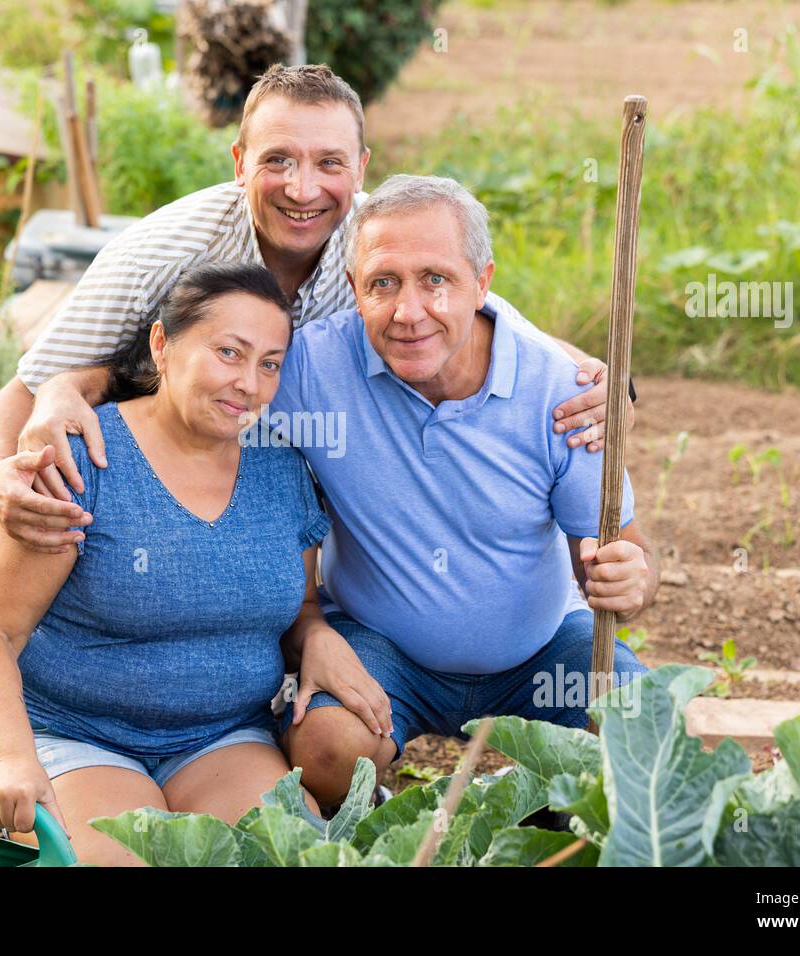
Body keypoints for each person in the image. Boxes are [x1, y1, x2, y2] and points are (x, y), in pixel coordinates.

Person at [0, 63, 629, 555]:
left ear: (362, 167)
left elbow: (487, 321)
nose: (303, 189)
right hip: (170, 468)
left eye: (329, 163)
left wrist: (606, 386)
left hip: (300, 479)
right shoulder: (162, 250)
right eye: (278, 160)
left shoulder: (381, 246)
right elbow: (21, 394)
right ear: (239, 163)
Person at [264, 175, 661, 806]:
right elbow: (193, 395)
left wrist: (626, 578)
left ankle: (523, 808)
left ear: (483, 282)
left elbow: (624, 554)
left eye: (436, 280)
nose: (408, 311)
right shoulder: (311, 369)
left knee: (642, 734)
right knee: (325, 748)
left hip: (540, 647)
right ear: (353, 291)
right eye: (383, 283)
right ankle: (398, 834)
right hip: (381, 643)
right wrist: (67, 394)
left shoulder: (563, 393)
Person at [0, 263, 332, 865]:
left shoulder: (281, 470)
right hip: (77, 737)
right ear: (162, 344)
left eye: (269, 363)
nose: (249, 385)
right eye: (229, 353)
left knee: (285, 858)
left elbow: (300, 605)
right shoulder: (79, 460)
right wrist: (12, 758)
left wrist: (316, 635)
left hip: (223, 737)